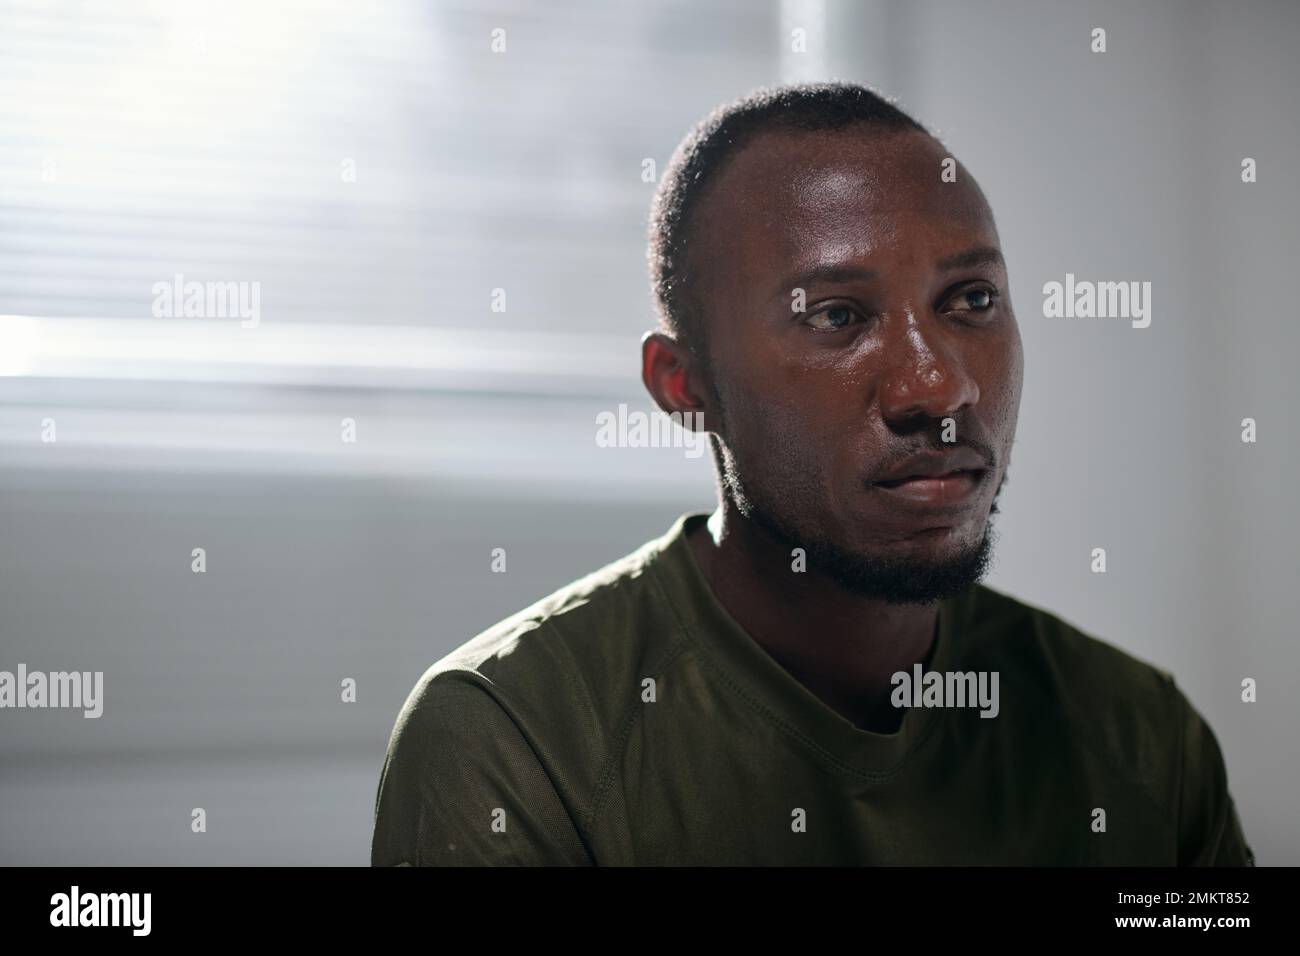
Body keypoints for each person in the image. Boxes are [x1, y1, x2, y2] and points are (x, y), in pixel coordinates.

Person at [371, 82, 1253, 866]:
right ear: (687, 387)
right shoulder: (516, 740)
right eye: (836, 315)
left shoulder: (1140, 739)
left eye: (970, 301)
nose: (938, 384)